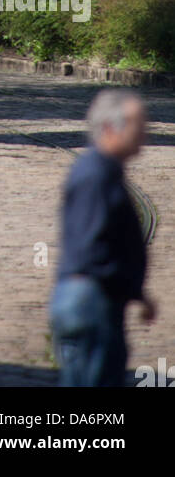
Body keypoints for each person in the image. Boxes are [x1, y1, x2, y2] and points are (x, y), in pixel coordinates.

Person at [49, 89, 156, 387]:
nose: (144, 136)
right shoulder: (95, 176)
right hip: (90, 303)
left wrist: (136, 291)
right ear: (110, 128)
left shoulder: (104, 172)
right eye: (139, 127)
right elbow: (91, 249)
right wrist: (129, 284)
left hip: (93, 300)